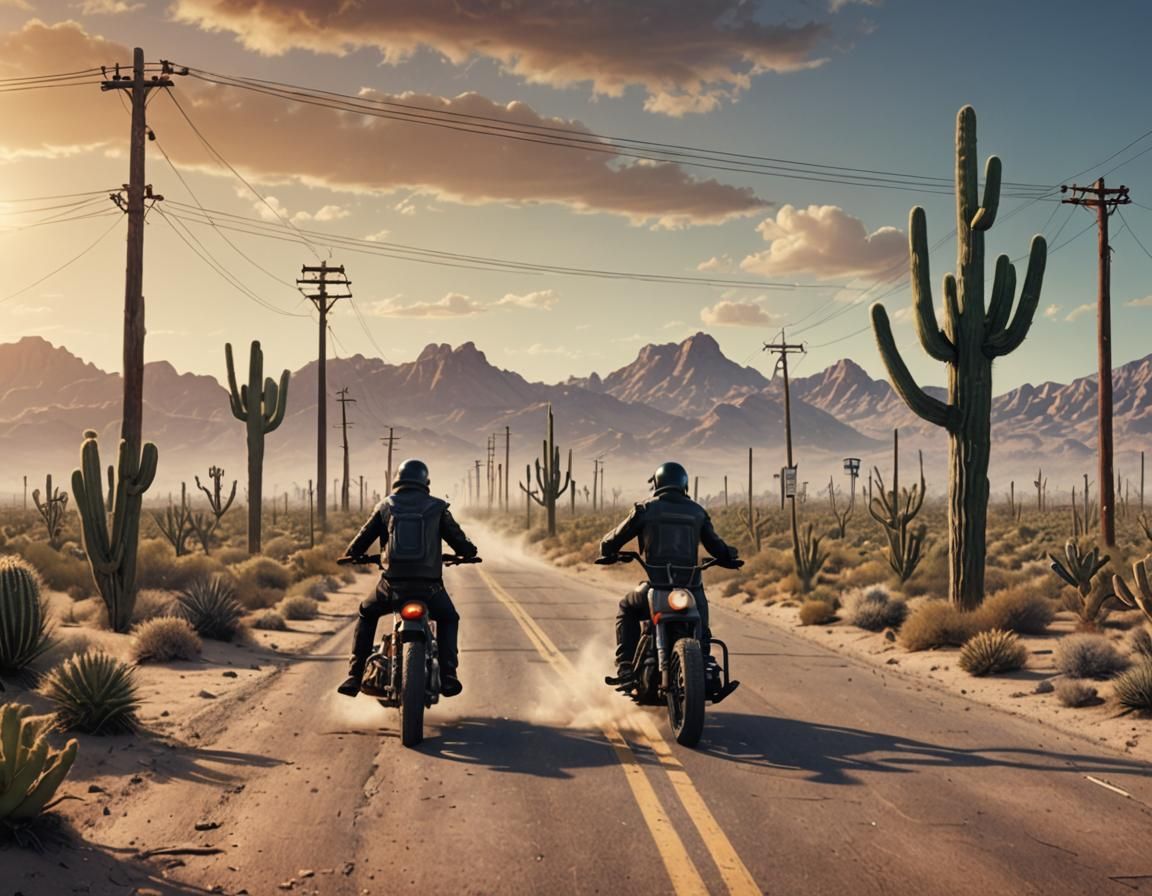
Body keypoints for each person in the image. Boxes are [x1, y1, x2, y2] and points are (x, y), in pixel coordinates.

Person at [337, 458, 478, 699]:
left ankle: (354, 675)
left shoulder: (385, 505)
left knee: (366, 613)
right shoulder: (438, 507)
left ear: (398, 481)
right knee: (448, 618)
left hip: (392, 586)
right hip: (430, 588)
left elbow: (360, 541)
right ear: (426, 482)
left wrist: (355, 555)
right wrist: (466, 554)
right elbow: (461, 543)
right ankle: (448, 676)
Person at [599, 461, 738, 691]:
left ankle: (625, 666)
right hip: (690, 588)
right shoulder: (697, 511)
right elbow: (716, 546)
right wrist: (728, 556)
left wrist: (608, 550)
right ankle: (703, 660)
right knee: (700, 617)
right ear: (683, 484)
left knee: (627, 607)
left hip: (656, 586)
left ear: (657, 483)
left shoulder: (645, 509)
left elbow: (614, 538)